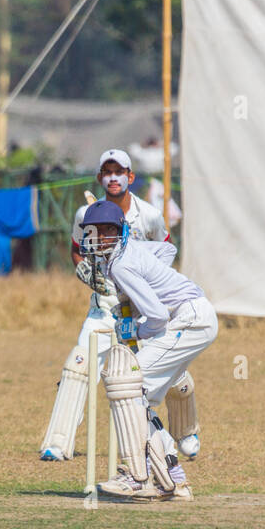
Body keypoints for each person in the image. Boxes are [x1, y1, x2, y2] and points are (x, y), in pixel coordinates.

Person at [39, 149, 200, 462]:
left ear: (130, 176)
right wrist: (83, 271)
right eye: (107, 172)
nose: (113, 177)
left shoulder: (151, 216)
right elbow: (77, 251)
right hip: (105, 306)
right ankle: (58, 443)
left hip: (144, 307)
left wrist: (151, 288)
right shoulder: (85, 216)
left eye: (120, 171)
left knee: (173, 375)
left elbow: (166, 253)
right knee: (78, 366)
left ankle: (186, 431)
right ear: (100, 177)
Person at [79, 200, 219, 501]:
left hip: (189, 318)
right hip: (193, 315)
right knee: (140, 398)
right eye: (96, 231)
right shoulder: (129, 254)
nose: (101, 237)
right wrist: (144, 276)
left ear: (121, 232)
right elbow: (167, 251)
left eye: (108, 231)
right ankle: (174, 479)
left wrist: (134, 330)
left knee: (127, 384)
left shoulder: (121, 264)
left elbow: (156, 317)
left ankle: (137, 477)